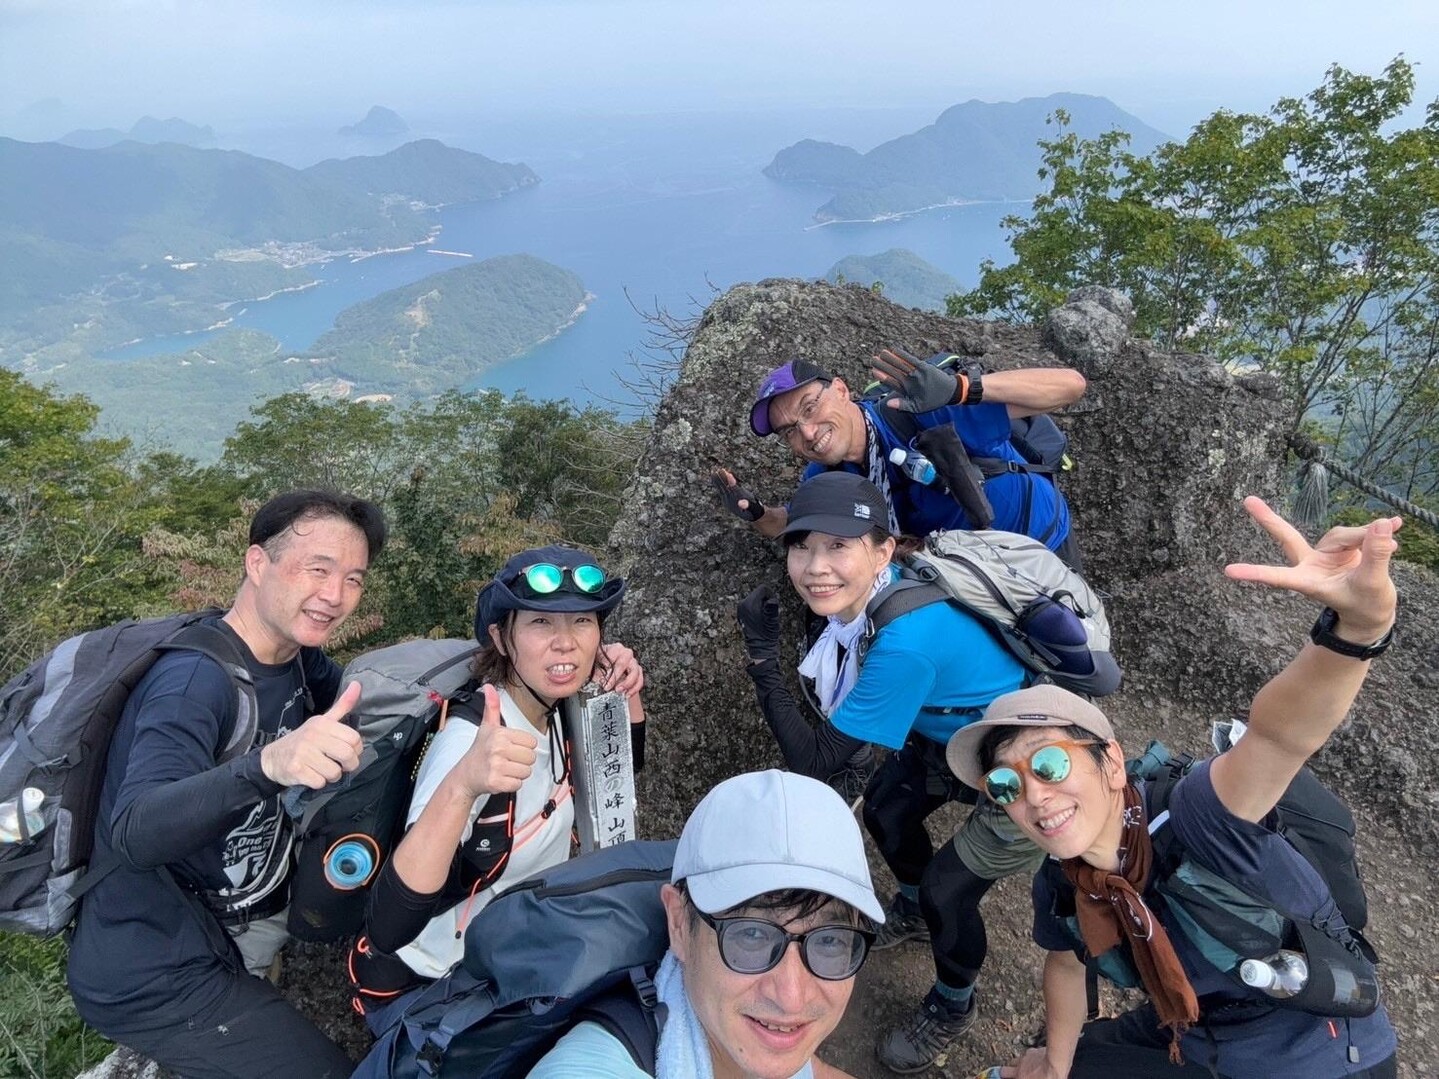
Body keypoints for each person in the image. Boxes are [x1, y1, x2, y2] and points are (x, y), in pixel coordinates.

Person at [945, 496, 1399, 1079]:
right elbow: (1065, 960)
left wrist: (1357, 629)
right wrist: (1056, 1067)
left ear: (1110, 762)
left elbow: (1279, 737)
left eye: (1050, 766)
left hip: (1320, 1051)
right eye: (1005, 785)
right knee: (1085, 1061)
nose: (1032, 795)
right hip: (1197, 1021)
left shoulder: (1196, 818)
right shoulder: (1066, 879)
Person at [66, 490, 387, 1079]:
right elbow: (136, 831)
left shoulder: (295, 655)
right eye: (317, 570)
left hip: (231, 925)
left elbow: (373, 705)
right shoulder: (194, 681)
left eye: (353, 579)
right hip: (155, 966)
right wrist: (269, 765)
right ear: (258, 563)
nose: (334, 596)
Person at [735, 470, 1045, 1073]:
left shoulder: (904, 639)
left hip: (1023, 762)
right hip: (950, 736)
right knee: (884, 809)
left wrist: (762, 660)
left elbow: (817, 760)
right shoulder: (870, 602)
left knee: (947, 893)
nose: (815, 565)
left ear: (883, 549)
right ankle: (910, 907)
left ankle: (954, 1003)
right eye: (802, 544)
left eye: (838, 545)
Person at [351, 545, 646, 1019]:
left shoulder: (556, 707)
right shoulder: (470, 740)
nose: (566, 642)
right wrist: (463, 785)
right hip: (436, 983)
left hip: (515, 955)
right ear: (501, 638)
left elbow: (615, 779)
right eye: (540, 623)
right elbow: (388, 927)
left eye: (583, 622)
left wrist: (625, 695)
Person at [528, 768, 885, 1078]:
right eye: (752, 934)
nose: (791, 998)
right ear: (680, 923)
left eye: (829, 940)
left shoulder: (746, 1035)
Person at [715, 349, 1086, 563]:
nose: (808, 433)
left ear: (841, 390)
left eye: (810, 408)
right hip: (976, 575)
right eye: (790, 430)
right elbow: (791, 522)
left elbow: (1070, 385)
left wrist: (962, 390)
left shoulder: (919, 410)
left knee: (1074, 661)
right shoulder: (828, 478)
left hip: (1038, 540)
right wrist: (756, 513)